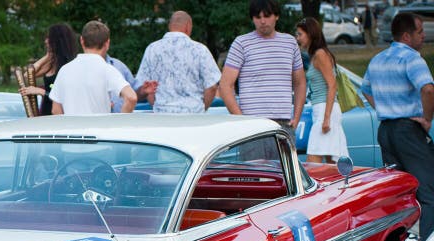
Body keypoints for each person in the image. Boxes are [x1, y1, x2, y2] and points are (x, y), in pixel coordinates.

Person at [362, 12, 434, 241]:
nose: (424, 36)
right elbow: (428, 89)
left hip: (385, 131)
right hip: (408, 130)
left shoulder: (377, 59)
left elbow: (365, 89)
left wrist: (384, 108)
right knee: (429, 193)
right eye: (420, 32)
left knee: (399, 193)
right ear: (406, 36)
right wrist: (427, 119)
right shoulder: (412, 58)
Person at [219, 0, 306, 138]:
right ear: (252, 19)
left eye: (267, 16)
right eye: (258, 17)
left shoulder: (290, 43)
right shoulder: (241, 43)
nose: (263, 21)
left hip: (283, 123)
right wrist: (241, 120)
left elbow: (300, 83)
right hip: (252, 123)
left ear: (276, 16)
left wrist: (296, 117)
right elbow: (225, 85)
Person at [135, 11, 221, 113]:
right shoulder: (200, 50)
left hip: (161, 115)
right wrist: (202, 108)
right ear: (188, 26)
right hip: (194, 114)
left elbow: (145, 87)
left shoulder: (152, 49)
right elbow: (212, 86)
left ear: (169, 26)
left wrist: (157, 106)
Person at [49, 21, 137, 115]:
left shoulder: (64, 70)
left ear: (82, 40)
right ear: (107, 43)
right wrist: (119, 122)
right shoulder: (107, 70)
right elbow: (131, 97)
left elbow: (55, 109)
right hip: (100, 124)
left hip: (71, 125)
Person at [295, 18, 349, 163]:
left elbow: (332, 85)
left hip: (326, 110)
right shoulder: (316, 55)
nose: (297, 38)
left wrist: (326, 118)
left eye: (300, 34)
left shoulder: (320, 54)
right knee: (332, 162)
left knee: (313, 161)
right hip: (323, 109)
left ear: (310, 34)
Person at [18, 23, 77, 116]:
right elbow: (27, 75)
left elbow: (66, 97)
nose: (46, 41)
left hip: (59, 116)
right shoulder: (51, 63)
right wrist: (47, 56)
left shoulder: (69, 67)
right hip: (46, 113)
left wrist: (40, 91)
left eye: (49, 38)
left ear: (58, 41)